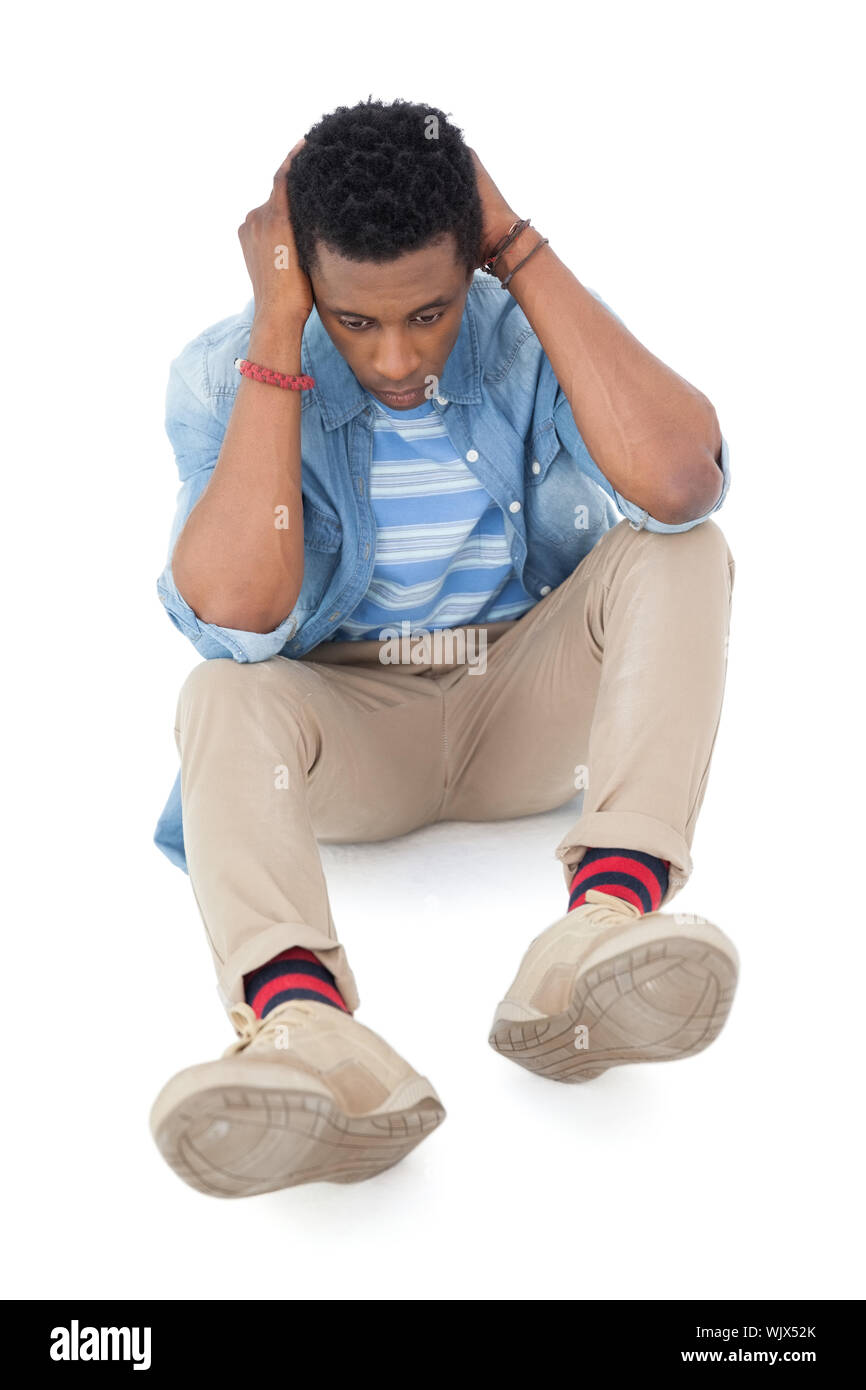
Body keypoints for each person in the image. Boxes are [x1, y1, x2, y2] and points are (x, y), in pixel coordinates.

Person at [149, 97, 737, 1199]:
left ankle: (598, 930)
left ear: (467, 267)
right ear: (302, 280)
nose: (395, 355)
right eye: (352, 320)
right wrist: (279, 331)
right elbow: (235, 620)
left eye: (427, 313)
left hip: (519, 694)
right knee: (218, 697)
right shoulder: (224, 370)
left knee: (683, 553)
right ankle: (307, 1037)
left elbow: (677, 483)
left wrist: (515, 248)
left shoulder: (524, 333)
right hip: (351, 731)